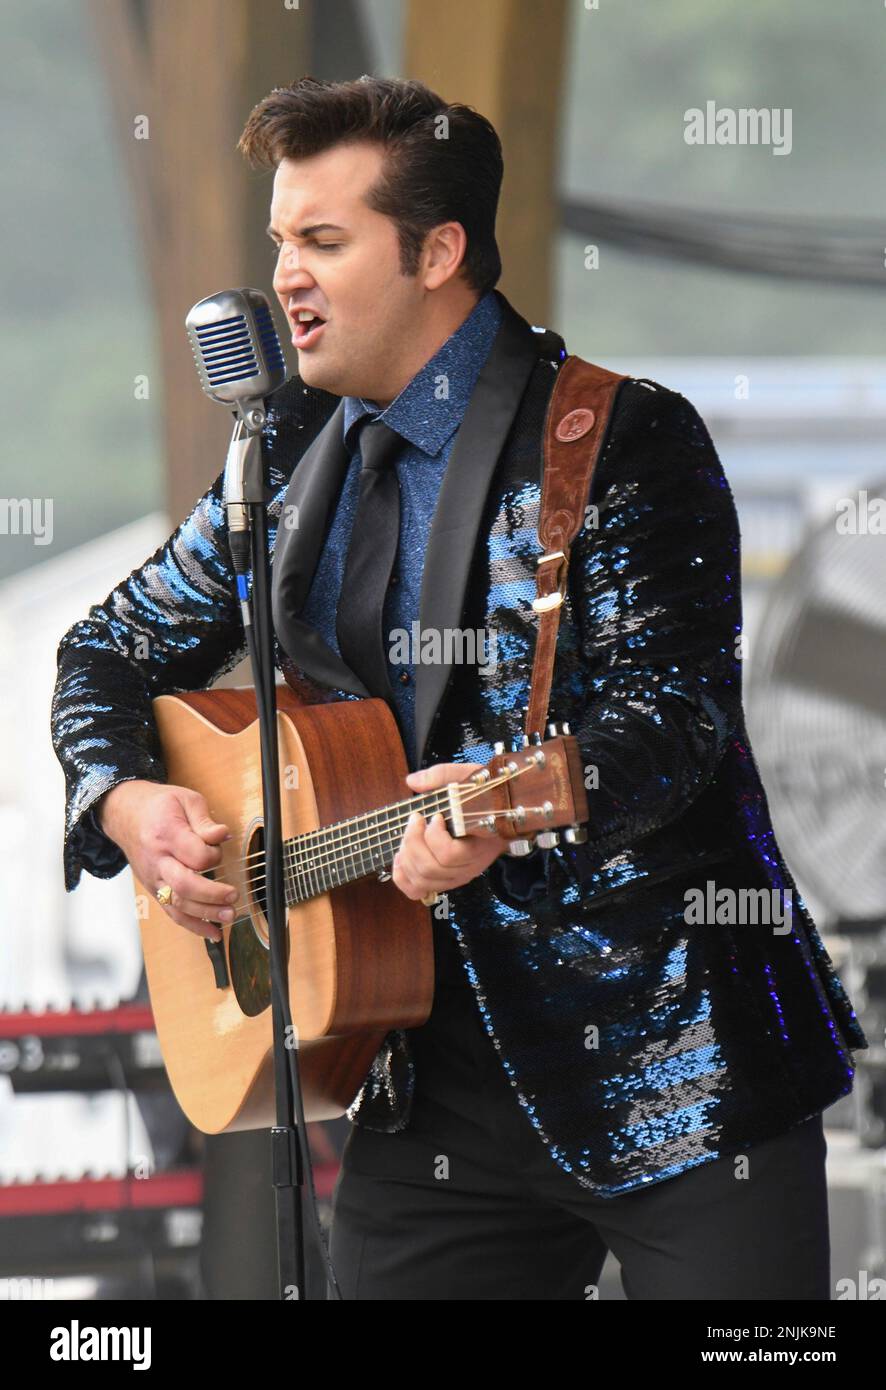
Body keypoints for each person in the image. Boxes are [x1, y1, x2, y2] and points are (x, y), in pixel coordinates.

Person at [51, 75, 868, 1301]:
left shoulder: (625, 439)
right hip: (415, 1073)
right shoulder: (273, 460)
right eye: (281, 241)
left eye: (324, 241)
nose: (286, 276)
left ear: (437, 253)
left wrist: (513, 805)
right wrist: (124, 802)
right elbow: (101, 656)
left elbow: (675, 720)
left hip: (675, 1069)